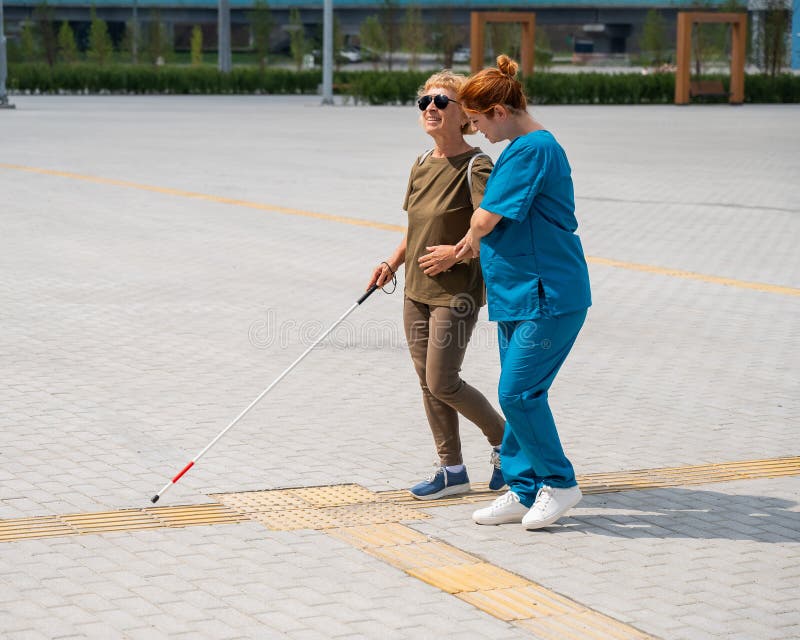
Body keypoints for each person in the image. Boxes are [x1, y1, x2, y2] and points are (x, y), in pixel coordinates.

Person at [455, 55, 592, 529]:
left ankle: (559, 483)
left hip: (548, 294)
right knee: (524, 393)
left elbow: (484, 218)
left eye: (476, 121)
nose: (476, 133)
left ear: (499, 110)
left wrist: (474, 230)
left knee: (518, 393)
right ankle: (523, 488)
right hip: (519, 293)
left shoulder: (533, 148)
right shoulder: (520, 147)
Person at [367, 70, 506, 500]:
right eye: (425, 101)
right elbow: (416, 226)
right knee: (427, 383)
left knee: (443, 380)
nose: (431, 108)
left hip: (457, 292)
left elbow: (490, 227)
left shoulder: (477, 165)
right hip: (414, 291)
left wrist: (456, 253)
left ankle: (509, 445)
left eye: (442, 101)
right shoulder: (421, 164)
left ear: (464, 112)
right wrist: (391, 263)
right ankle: (452, 470)